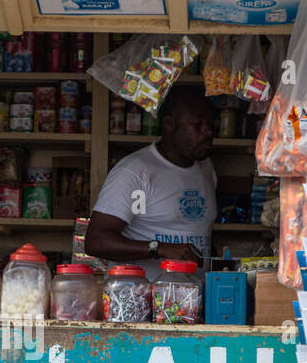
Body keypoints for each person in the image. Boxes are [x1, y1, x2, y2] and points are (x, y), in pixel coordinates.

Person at [85, 85, 218, 278]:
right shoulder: (135, 171)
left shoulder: (206, 168)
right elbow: (96, 240)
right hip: (138, 298)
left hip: (190, 298)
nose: (208, 132)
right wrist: (158, 248)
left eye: (211, 124)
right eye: (197, 124)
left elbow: (197, 231)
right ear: (170, 124)